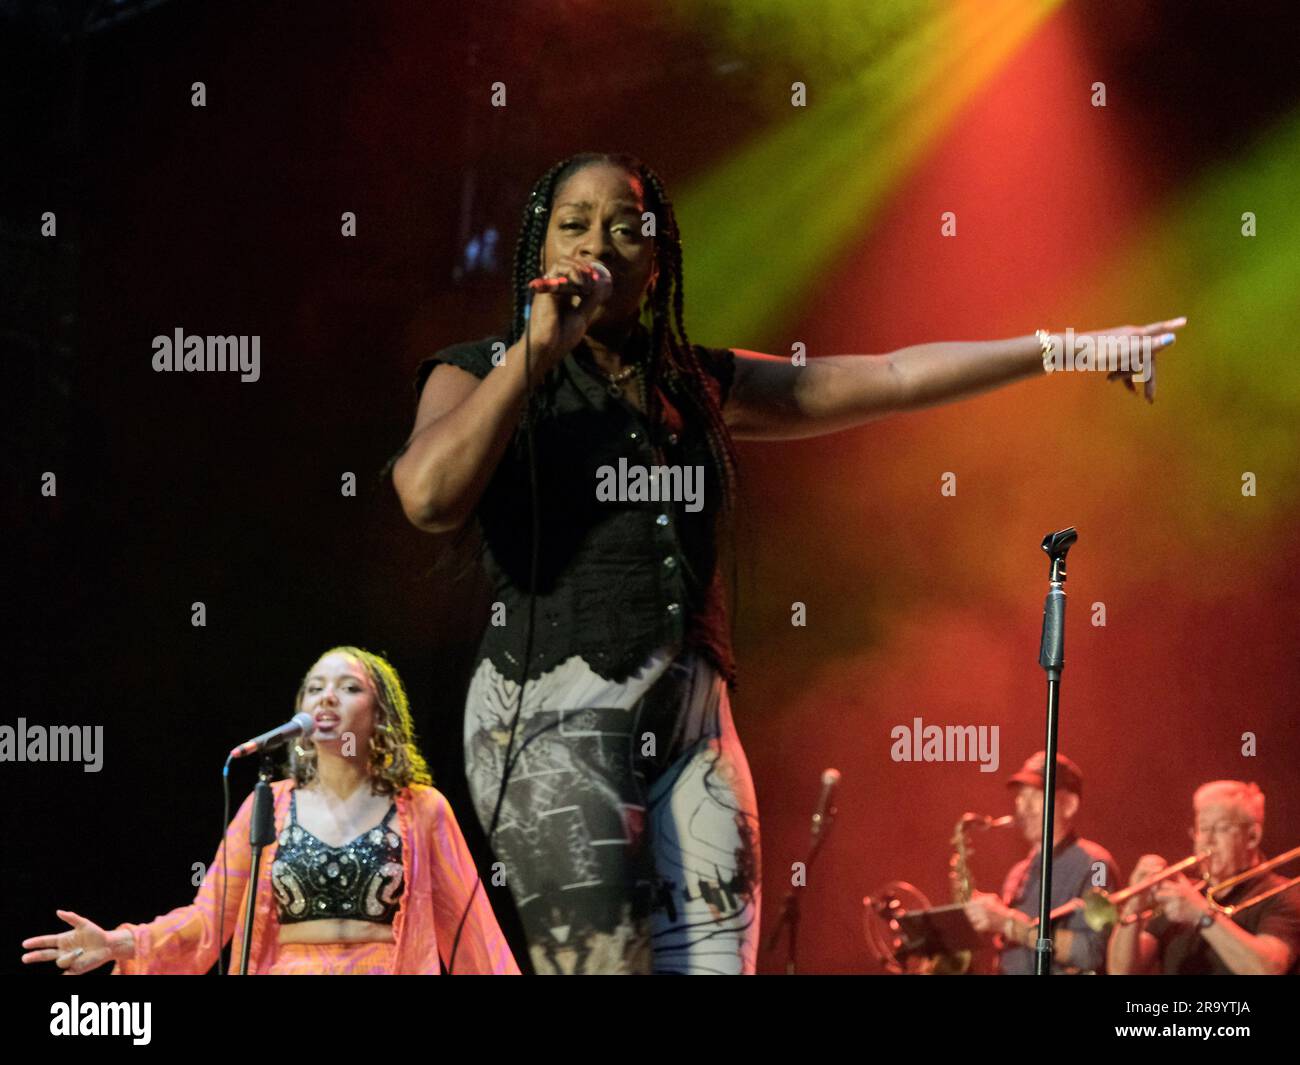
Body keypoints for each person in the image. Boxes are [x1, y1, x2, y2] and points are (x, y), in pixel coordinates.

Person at [389, 150, 1184, 974]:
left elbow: (894, 376)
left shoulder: (695, 384)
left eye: (627, 228)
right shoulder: (478, 369)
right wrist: (537, 350)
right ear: (541, 252)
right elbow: (427, 497)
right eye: (575, 224)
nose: (600, 242)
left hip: (694, 721)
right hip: (555, 712)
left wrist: (1072, 348)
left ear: (656, 265)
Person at [20, 646, 519, 975]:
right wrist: (120, 943)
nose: (327, 696)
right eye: (315, 687)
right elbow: (208, 919)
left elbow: (472, 930)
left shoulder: (422, 809)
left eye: (349, 687)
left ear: (381, 715)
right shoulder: (269, 804)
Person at [1108, 780, 1300, 975]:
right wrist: (1134, 905)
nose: (1207, 840)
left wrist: (1201, 914)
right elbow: (1121, 972)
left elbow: (1267, 969)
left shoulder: (1284, 893)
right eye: (1203, 829)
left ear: (1252, 836)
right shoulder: (1184, 895)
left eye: (1220, 828)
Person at [964, 751, 1119, 974]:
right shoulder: (1017, 872)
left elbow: (1093, 952)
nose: (1023, 807)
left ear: (1069, 805)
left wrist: (1008, 923)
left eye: (1036, 796)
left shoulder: (1096, 864)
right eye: (1021, 796)